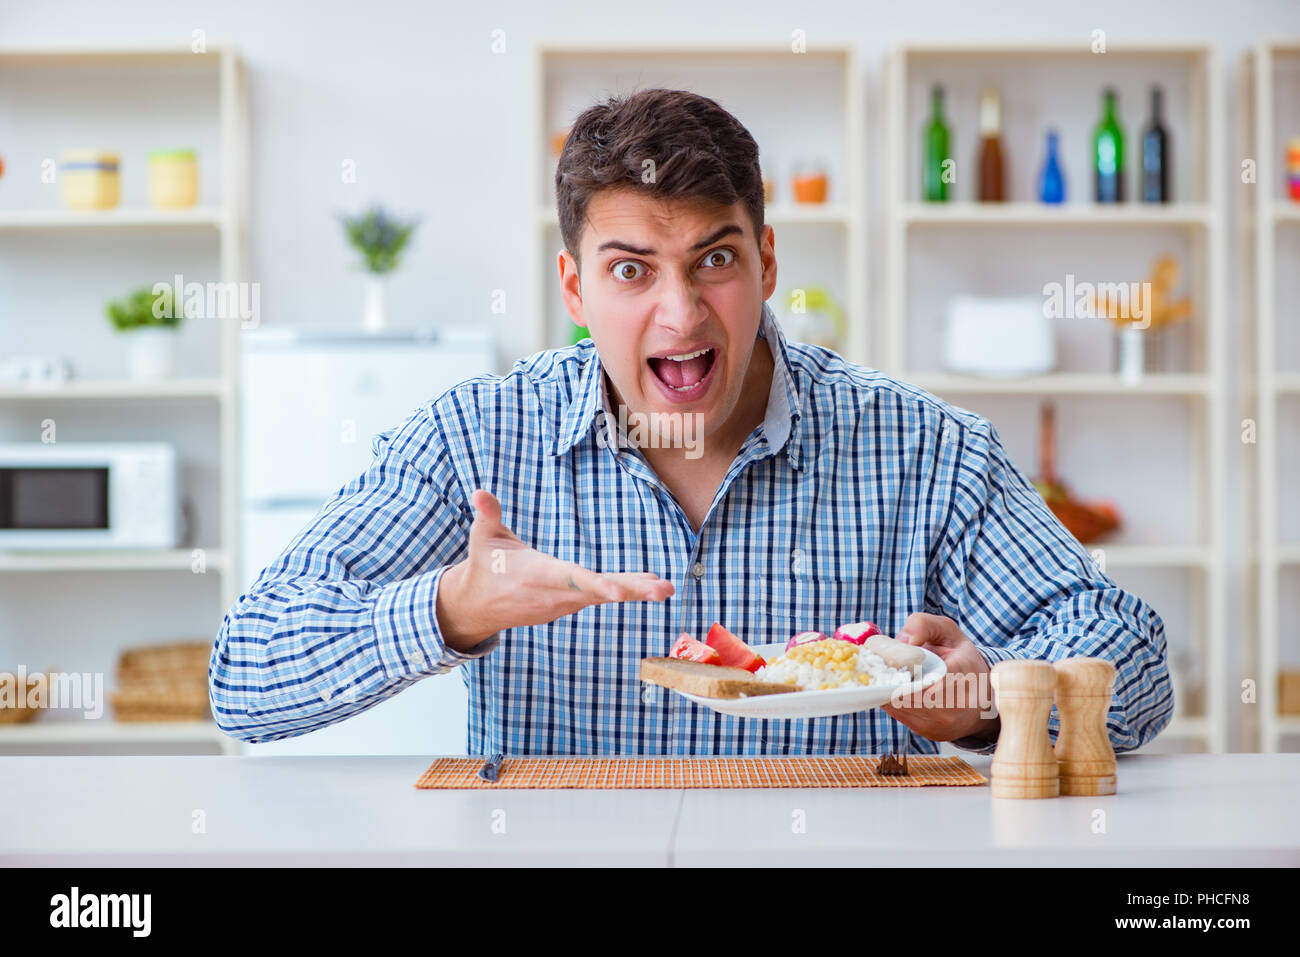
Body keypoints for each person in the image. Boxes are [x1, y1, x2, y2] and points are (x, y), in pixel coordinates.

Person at [211, 88, 1173, 756]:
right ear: (575, 287)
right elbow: (242, 673)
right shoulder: (475, 440)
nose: (679, 314)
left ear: (765, 260)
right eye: (632, 270)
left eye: (714, 260)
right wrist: (448, 610)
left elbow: (1135, 667)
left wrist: (989, 699)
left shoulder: (927, 450)